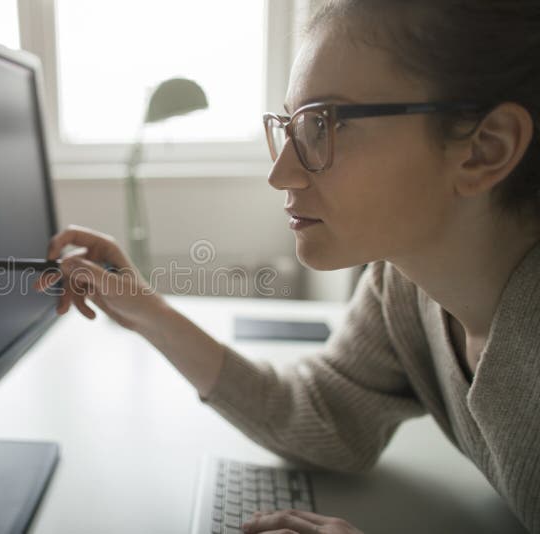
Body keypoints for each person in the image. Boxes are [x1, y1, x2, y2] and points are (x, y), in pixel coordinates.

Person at [34, 0, 540, 532]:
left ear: (486, 148)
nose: (281, 174)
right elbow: (325, 419)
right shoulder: (405, 285)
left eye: (324, 124)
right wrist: (149, 313)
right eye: (292, 127)